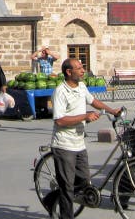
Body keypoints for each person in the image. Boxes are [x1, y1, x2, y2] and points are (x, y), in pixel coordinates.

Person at [42, 58, 120, 219]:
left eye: (82, 67)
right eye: (78, 68)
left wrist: (112, 111)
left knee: (84, 182)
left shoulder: (82, 86)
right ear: (69, 72)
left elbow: (94, 101)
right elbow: (59, 120)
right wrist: (85, 116)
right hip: (64, 145)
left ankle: (51, 199)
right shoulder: (60, 92)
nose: (83, 70)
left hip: (79, 144)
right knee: (67, 187)